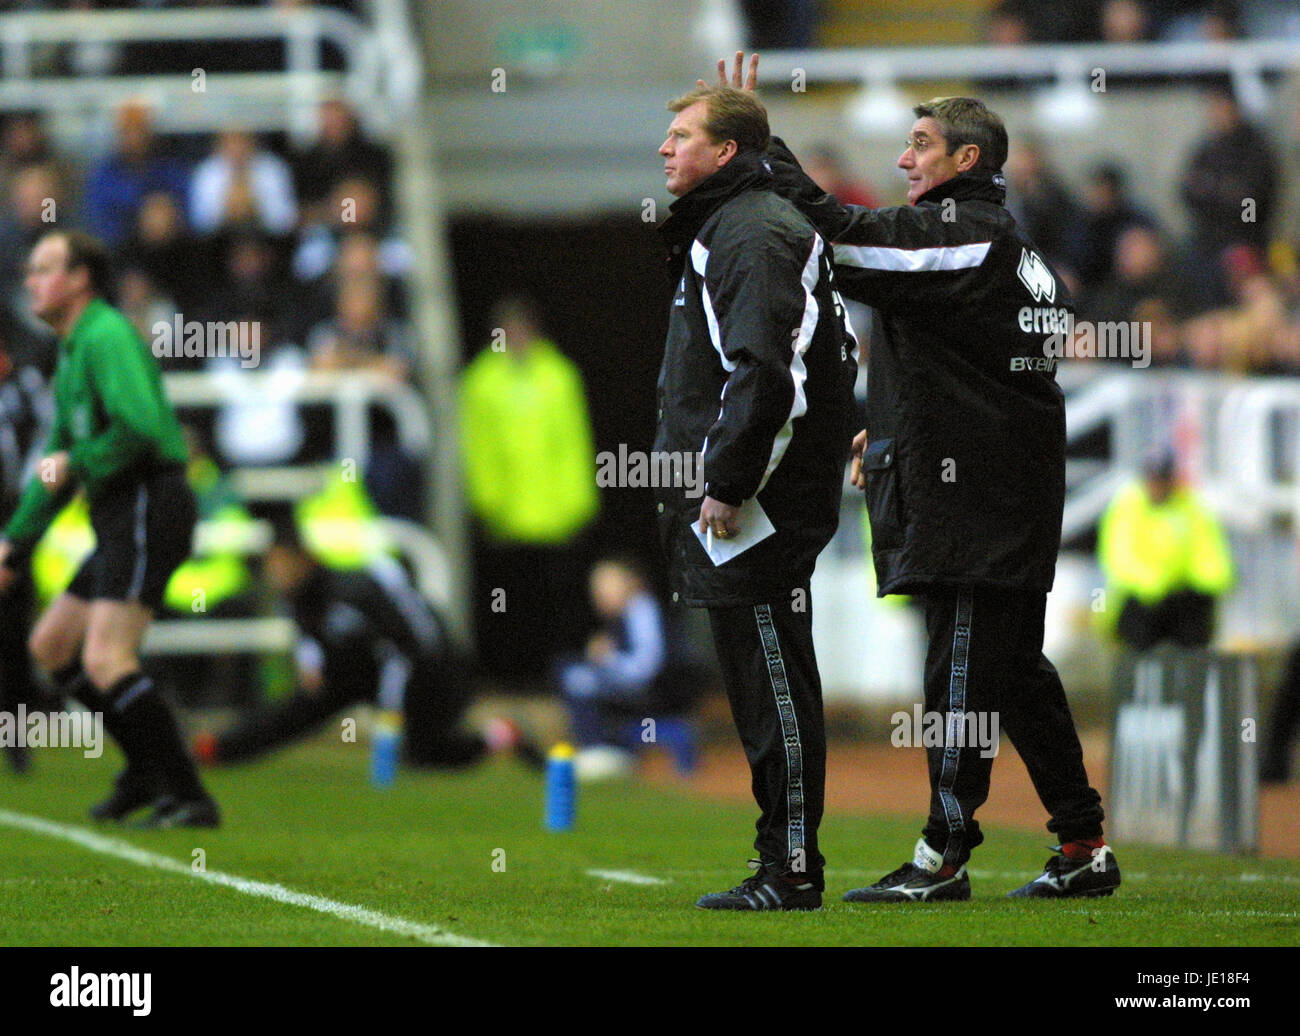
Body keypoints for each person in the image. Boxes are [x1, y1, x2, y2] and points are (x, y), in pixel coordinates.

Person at [724, 51, 1119, 900]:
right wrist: (897, 429)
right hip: (995, 480)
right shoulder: (1003, 244)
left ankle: (943, 854)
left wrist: (760, 146)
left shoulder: (966, 233)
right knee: (1014, 673)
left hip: (977, 496)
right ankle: (1083, 843)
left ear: (965, 159)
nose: (904, 160)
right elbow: (979, 358)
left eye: (920, 145)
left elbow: (843, 239)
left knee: (961, 672)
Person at [655, 83, 857, 910]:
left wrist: (731, 481)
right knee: (760, 682)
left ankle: (792, 867)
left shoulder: (749, 231)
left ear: (726, 153)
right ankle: (781, 858)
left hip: (762, 501)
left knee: (774, 682)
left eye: (682, 134)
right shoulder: (741, 222)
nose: (665, 148)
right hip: (756, 492)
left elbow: (768, 374)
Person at [0, 229, 219, 828]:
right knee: (51, 645)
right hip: (121, 510)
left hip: (148, 499)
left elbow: (140, 428)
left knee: (105, 657)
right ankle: (146, 768)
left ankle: (189, 794)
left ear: (80, 280)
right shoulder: (72, 351)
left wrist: (77, 462)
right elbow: (53, 466)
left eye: (44, 268)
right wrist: (14, 545)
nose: (30, 280)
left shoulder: (106, 335)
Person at [194, 507, 533, 770]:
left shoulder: (352, 590)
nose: (276, 573)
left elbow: (408, 645)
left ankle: (499, 735)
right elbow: (312, 639)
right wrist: (313, 665)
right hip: (359, 673)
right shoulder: (296, 599)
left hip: (429, 672)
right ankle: (219, 749)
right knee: (300, 709)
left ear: (304, 560)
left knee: (426, 754)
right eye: (272, 565)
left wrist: (392, 707)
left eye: (282, 563)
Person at [459, 296, 599, 685]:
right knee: (508, 603)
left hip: (557, 517)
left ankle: (559, 676)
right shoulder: (481, 381)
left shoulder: (559, 376)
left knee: (558, 602)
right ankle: (513, 675)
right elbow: (478, 448)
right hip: (507, 521)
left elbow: (573, 443)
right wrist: (487, 503)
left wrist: (579, 502)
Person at [1097, 450, 1234, 652]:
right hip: (1139, 600)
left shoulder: (1190, 506)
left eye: (1163, 480)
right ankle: (1138, 661)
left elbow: (1209, 552)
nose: (1158, 486)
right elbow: (1118, 559)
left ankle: (1192, 663)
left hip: (1179, 597)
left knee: (1196, 609)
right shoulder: (1126, 506)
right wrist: (1154, 583)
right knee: (1133, 611)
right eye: (1154, 480)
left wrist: (1209, 582)